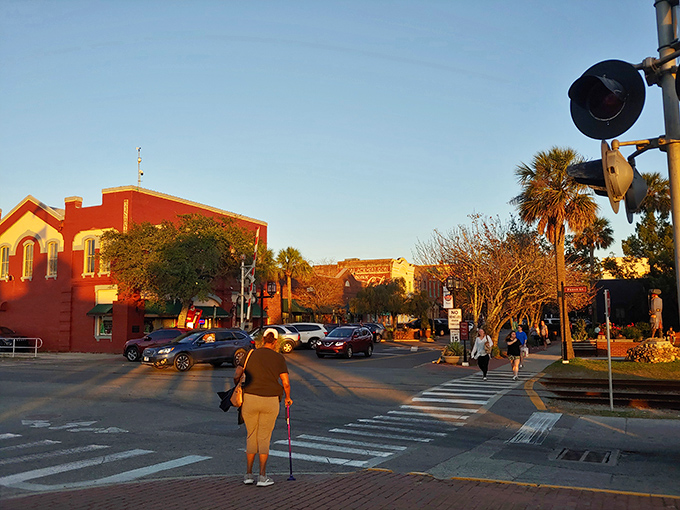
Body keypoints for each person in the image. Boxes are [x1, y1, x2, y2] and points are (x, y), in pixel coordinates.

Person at [233, 328, 293, 487]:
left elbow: (236, 374)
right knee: (264, 438)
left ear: (263, 340)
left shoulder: (250, 354)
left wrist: (238, 385)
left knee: (251, 435)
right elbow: (285, 383)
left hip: (250, 398)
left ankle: (248, 475)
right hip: (270, 400)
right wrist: (287, 397)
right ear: (275, 342)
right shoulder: (279, 358)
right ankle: (262, 476)